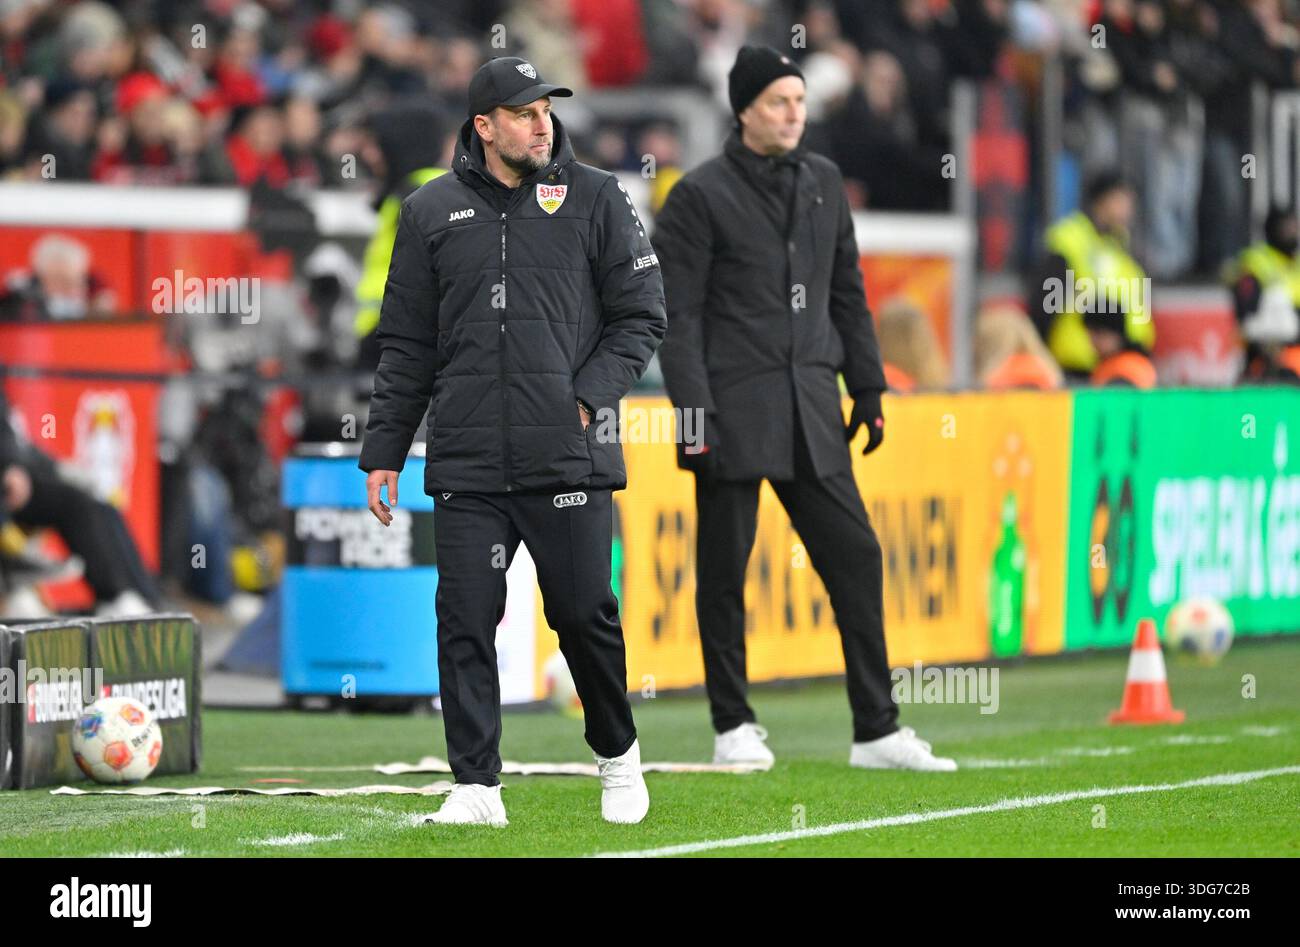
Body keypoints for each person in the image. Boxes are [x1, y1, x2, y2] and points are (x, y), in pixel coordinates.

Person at [358, 57, 666, 826]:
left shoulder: (596, 197)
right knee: (463, 618)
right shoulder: (428, 211)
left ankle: (618, 756)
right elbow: (406, 344)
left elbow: (642, 314)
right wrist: (384, 451)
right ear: (484, 125)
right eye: (523, 112)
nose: (541, 123)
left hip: (566, 453)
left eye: (546, 110)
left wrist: (590, 394)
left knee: (584, 615)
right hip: (467, 459)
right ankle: (476, 785)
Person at [652, 45, 955, 773]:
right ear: (745, 110)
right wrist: (692, 415)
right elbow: (677, 321)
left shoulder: (823, 181)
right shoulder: (697, 196)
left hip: (812, 404)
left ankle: (876, 728)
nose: (794, 113)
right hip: (729, 409)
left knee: (856, 554)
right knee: (725, 570)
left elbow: (846, 291)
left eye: (799, 101)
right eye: (779, 102)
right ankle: (733, 725)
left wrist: (871, 386)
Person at [0, 383, 160, 618]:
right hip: (7, 484)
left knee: (94, 503)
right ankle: (113, 595)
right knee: (75, 503)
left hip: (10, 479)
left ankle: (140, 597)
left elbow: (12, 439)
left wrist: (54, 467)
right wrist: (9, 466)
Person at [1029, 173, 1155, 379]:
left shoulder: (1124, 248)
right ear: (1101, 201)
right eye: (1120, 200)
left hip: (1125, 366)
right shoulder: (1070, 241)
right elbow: (1044, 309)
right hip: (1075, 368)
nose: (1127, 210)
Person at [1223, 206, 1300, 383]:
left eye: (1295, 226)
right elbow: (1246, 318)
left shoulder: (1297, 265)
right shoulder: (1255, 263)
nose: (1293, 232)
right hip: (1269, 352)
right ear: (1273, 229)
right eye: (1287, 227)